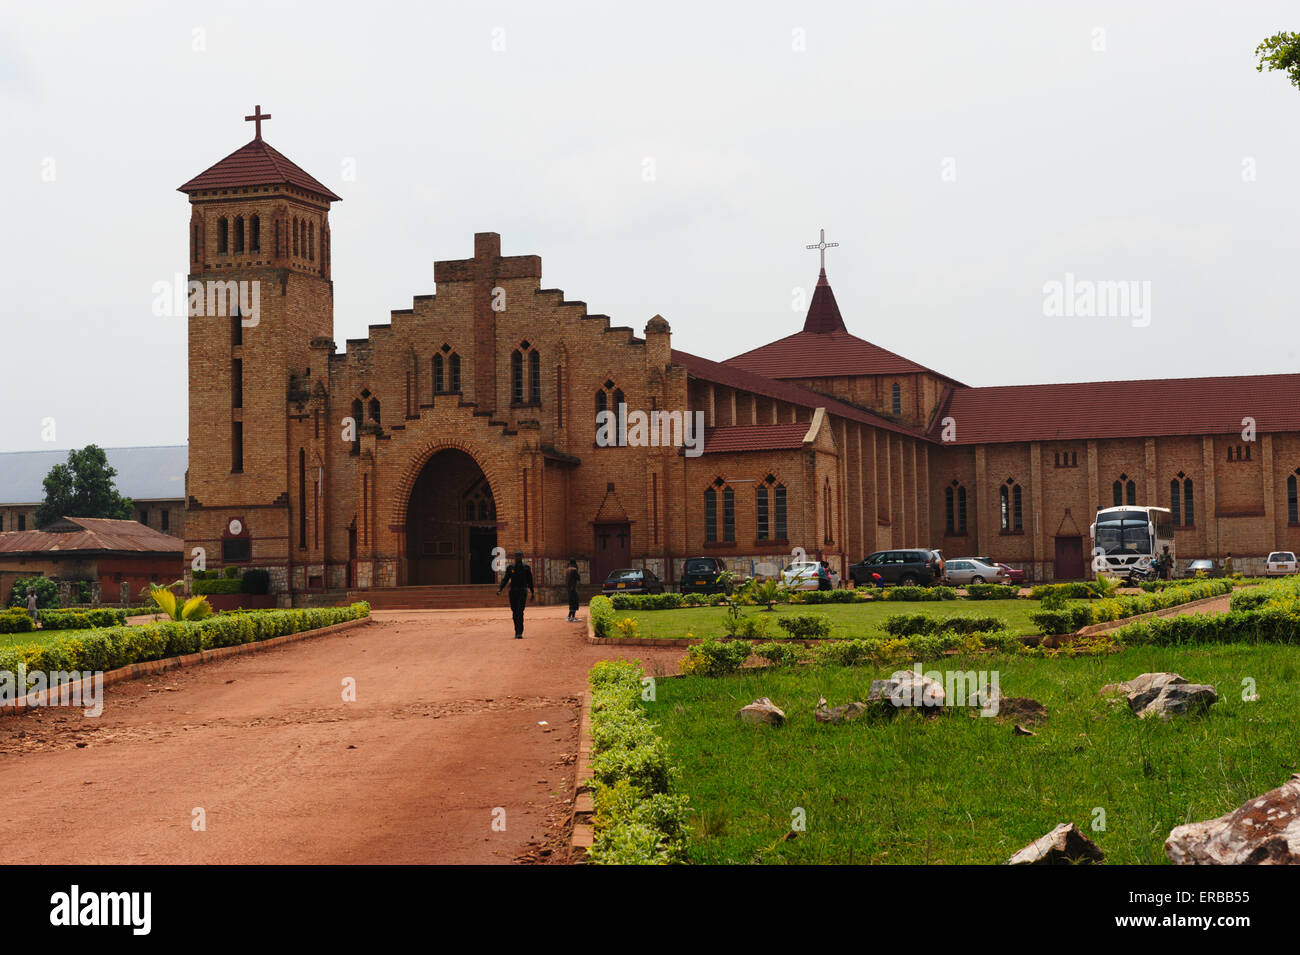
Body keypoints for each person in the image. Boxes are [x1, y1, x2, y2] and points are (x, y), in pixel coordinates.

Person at [497, 551, 535, 639]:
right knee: (514, 612)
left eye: (519, 556)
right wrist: (500, 589)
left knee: (520, 611)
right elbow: (505, 579)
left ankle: (519, 632)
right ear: (515, 557)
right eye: (517, 556)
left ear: (522, 557)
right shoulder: (510, 568)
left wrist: (532, 592)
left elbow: (530, 581)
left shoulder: (526, 568)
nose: (518, 558)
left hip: (522, 592)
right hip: (513, 592)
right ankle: (516, 630)